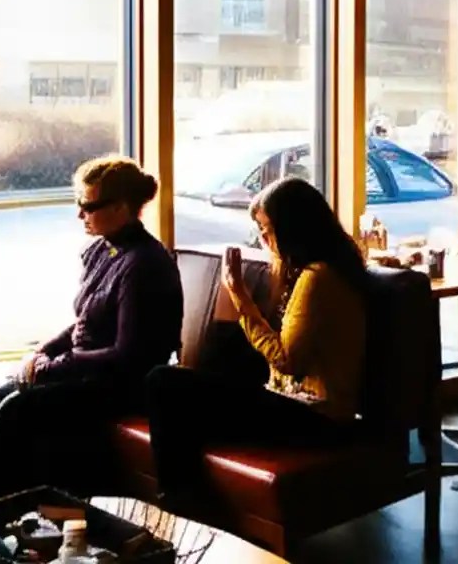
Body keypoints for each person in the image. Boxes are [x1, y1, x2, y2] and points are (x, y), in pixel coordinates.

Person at [147, 177, 367, 514]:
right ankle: (185, 490)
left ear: (292, 228)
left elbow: (288, 360)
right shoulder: (326, 269)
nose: (263, 239)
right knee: (220, 345)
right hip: (302, 404)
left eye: (267, 230)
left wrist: (239, 295)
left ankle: (178, 499)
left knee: (162, 381)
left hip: (317, 418)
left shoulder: (317, 277)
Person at [0, 155, 183, 491]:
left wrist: (53, 367)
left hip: (119, 385)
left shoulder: (145, 265)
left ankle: (12, 506)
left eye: (88, 206)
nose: (80, 214)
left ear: (121, 207)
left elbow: (128, 356)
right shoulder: (104, 251)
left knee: (13, 411)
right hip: (85, 373)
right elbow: (86, 320)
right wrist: (44, 351)